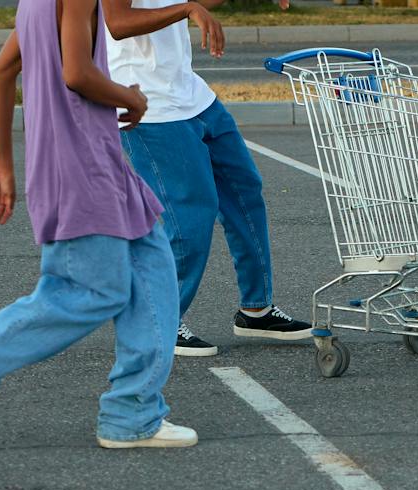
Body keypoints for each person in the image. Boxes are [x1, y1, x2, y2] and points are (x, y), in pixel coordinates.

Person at [0, 0, 198, 449]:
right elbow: (77, 74)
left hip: (101, 163)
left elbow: (1, 74)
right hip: (80, 166)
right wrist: (130, 97)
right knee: (87, 291)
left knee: (153, 269)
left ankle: (133, 414)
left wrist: (2, 165)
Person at [103, 0, 313, 357]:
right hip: (145, 104)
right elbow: (118, 22)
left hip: (190, 95)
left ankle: (256, 309)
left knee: (244, 190)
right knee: (191, 214)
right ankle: (158, 321)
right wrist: (189, 10)